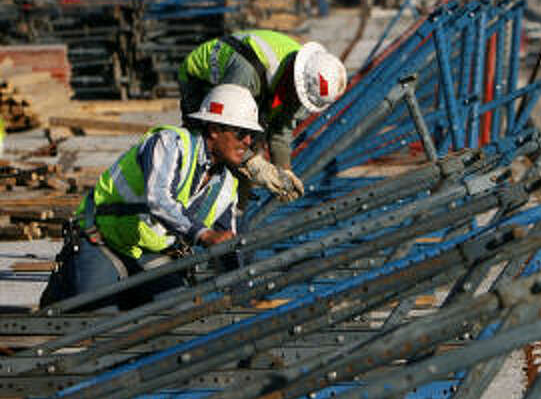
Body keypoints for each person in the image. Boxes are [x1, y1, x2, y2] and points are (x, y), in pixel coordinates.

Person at [39, 85, 261, 311]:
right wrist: (203, 234)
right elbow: (159, 200)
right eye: (241, 133)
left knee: (179, 315)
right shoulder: (172, 144)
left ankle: (128, 297)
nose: (248, 142)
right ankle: (64, 288)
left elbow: (227, 244)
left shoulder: (225, 186)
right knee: (96, 322)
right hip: (103, 241)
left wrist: (242, 300)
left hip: (149, 253)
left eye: (252, 135)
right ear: (214, 128)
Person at [176, 29, 347, 202]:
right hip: (201, 81)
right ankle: (190, 200)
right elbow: (223, 129)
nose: (296, 102)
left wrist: (283, 172)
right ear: (295, 80)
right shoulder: (247, 73)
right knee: (210, 146)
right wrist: (253, 164)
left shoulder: (302, 78)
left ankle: (232, 210)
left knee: (251, 143)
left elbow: (281, 130)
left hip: (255, 82)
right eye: (298, 96)